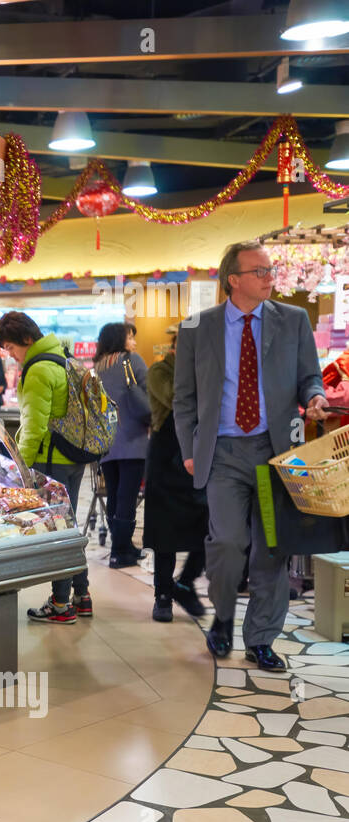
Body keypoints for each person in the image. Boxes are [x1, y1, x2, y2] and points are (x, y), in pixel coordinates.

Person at [175, 240, 329, 671]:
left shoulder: (293, 321)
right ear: (234, 280)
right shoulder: (196, 329)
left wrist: (315, 396)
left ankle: (261, 638)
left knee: (272, 549)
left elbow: (309, 377)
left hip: (275, 453)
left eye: (270, 270)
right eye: (260, 271)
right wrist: (190, 450)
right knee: (227, 543)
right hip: (222, 454)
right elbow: (183, 399)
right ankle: (222, 617)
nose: (269, 277)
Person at [0, 310, 91, 624]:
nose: (11, 356)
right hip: (74, 457)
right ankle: (82, 595)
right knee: (70, 525)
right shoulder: (61, 358)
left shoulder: (37, 370)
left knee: (57, 530)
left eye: (10, 348)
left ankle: (61, 604)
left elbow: (33, 427)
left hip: (52, 462)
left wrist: (21, 469)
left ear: (25, 339)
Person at [144, 324, 208, 622]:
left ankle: (186, 582)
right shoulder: (159, 371)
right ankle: (163, 594)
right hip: (165, 457)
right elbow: (179, 401)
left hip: (198, 454)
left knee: (209, 526)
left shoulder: (207, 371)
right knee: (164, 531)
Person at [94, 321, 150, 568]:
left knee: (115, 495)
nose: (134, 343)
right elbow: (150, 392)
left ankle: (124, 545)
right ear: (120, 339)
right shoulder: (131, 361)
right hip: (133, 439)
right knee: (128, 496)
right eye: (130, 337)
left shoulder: (97, 367)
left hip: (107, 442)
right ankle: (120, 552)